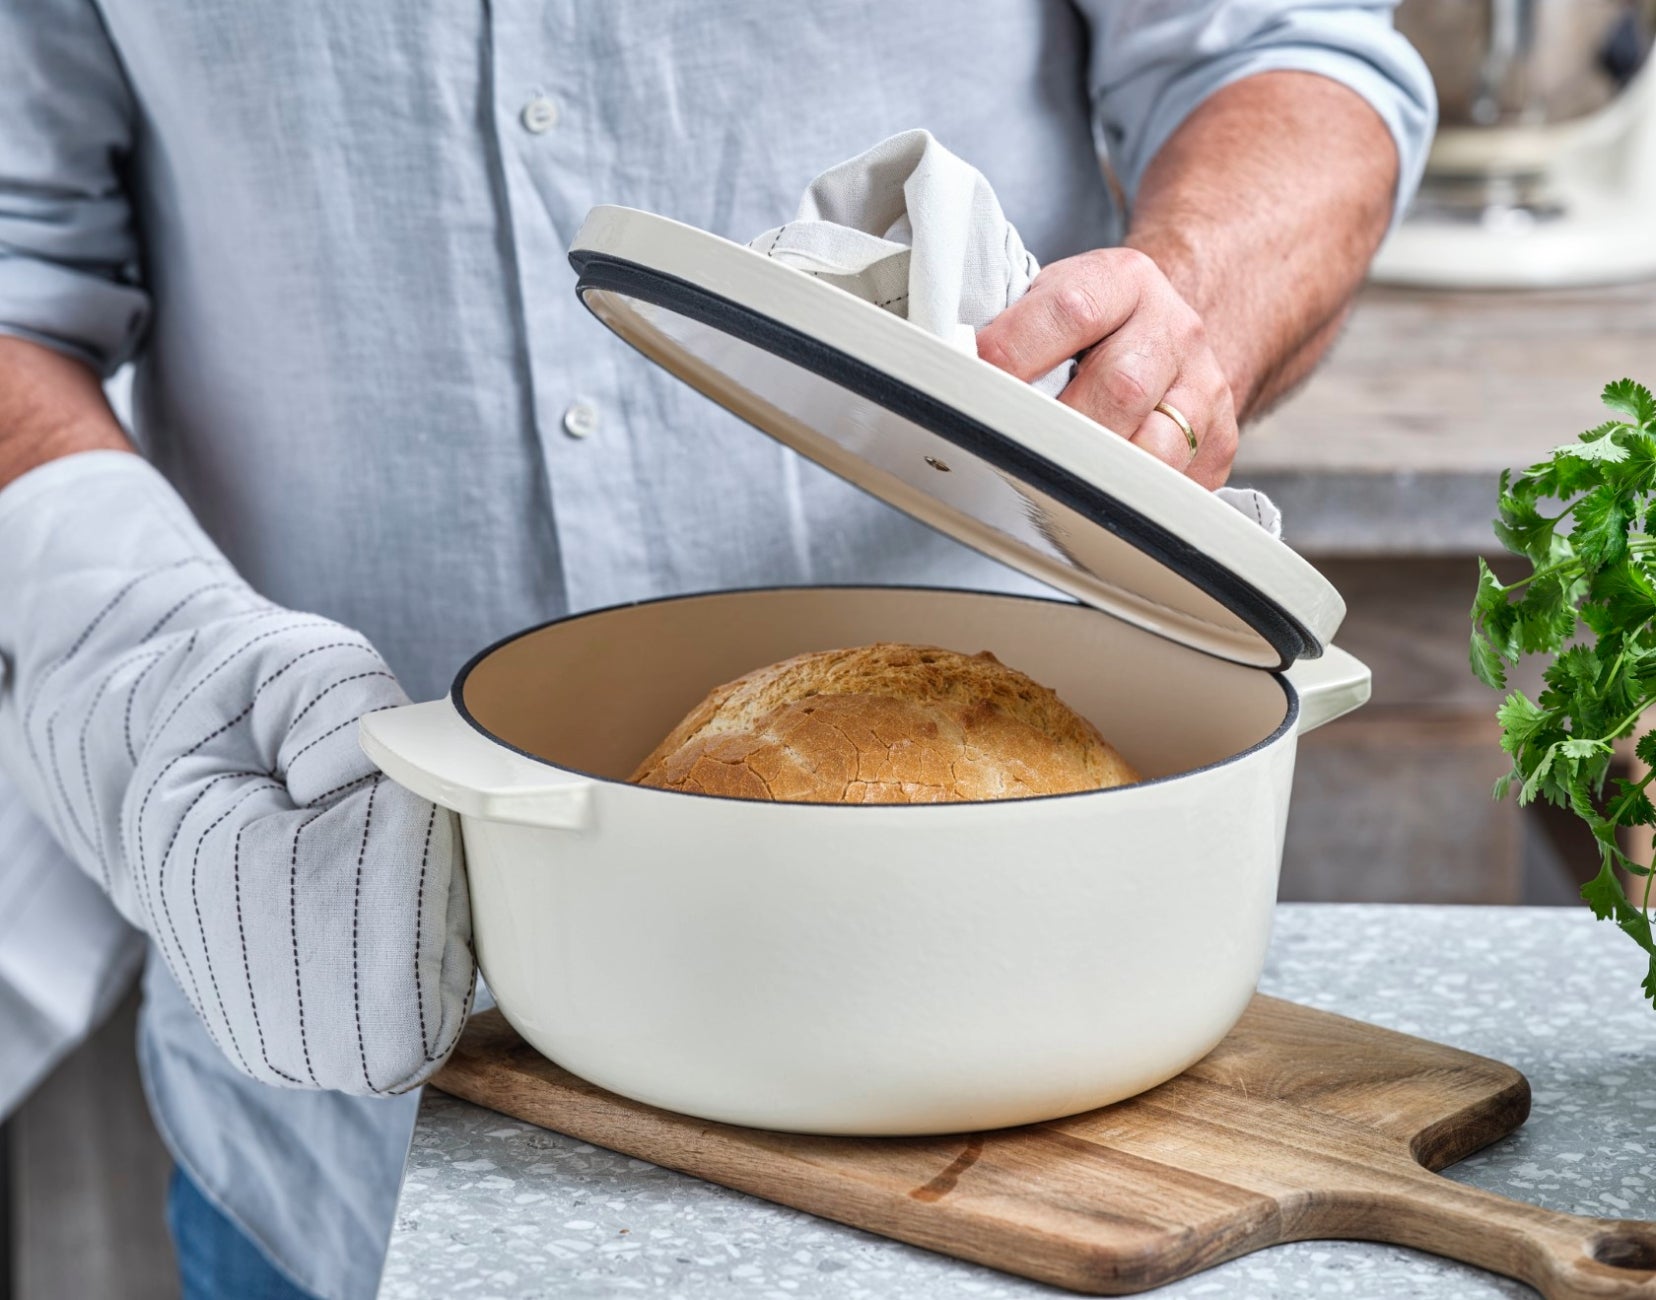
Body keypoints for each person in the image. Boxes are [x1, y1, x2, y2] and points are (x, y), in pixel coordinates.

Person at [0, 3, 1434, 1297]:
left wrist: (1182, 316)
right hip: (326, 1078)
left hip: (1037, 1135)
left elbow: (1287, 53)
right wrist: (143, 646)